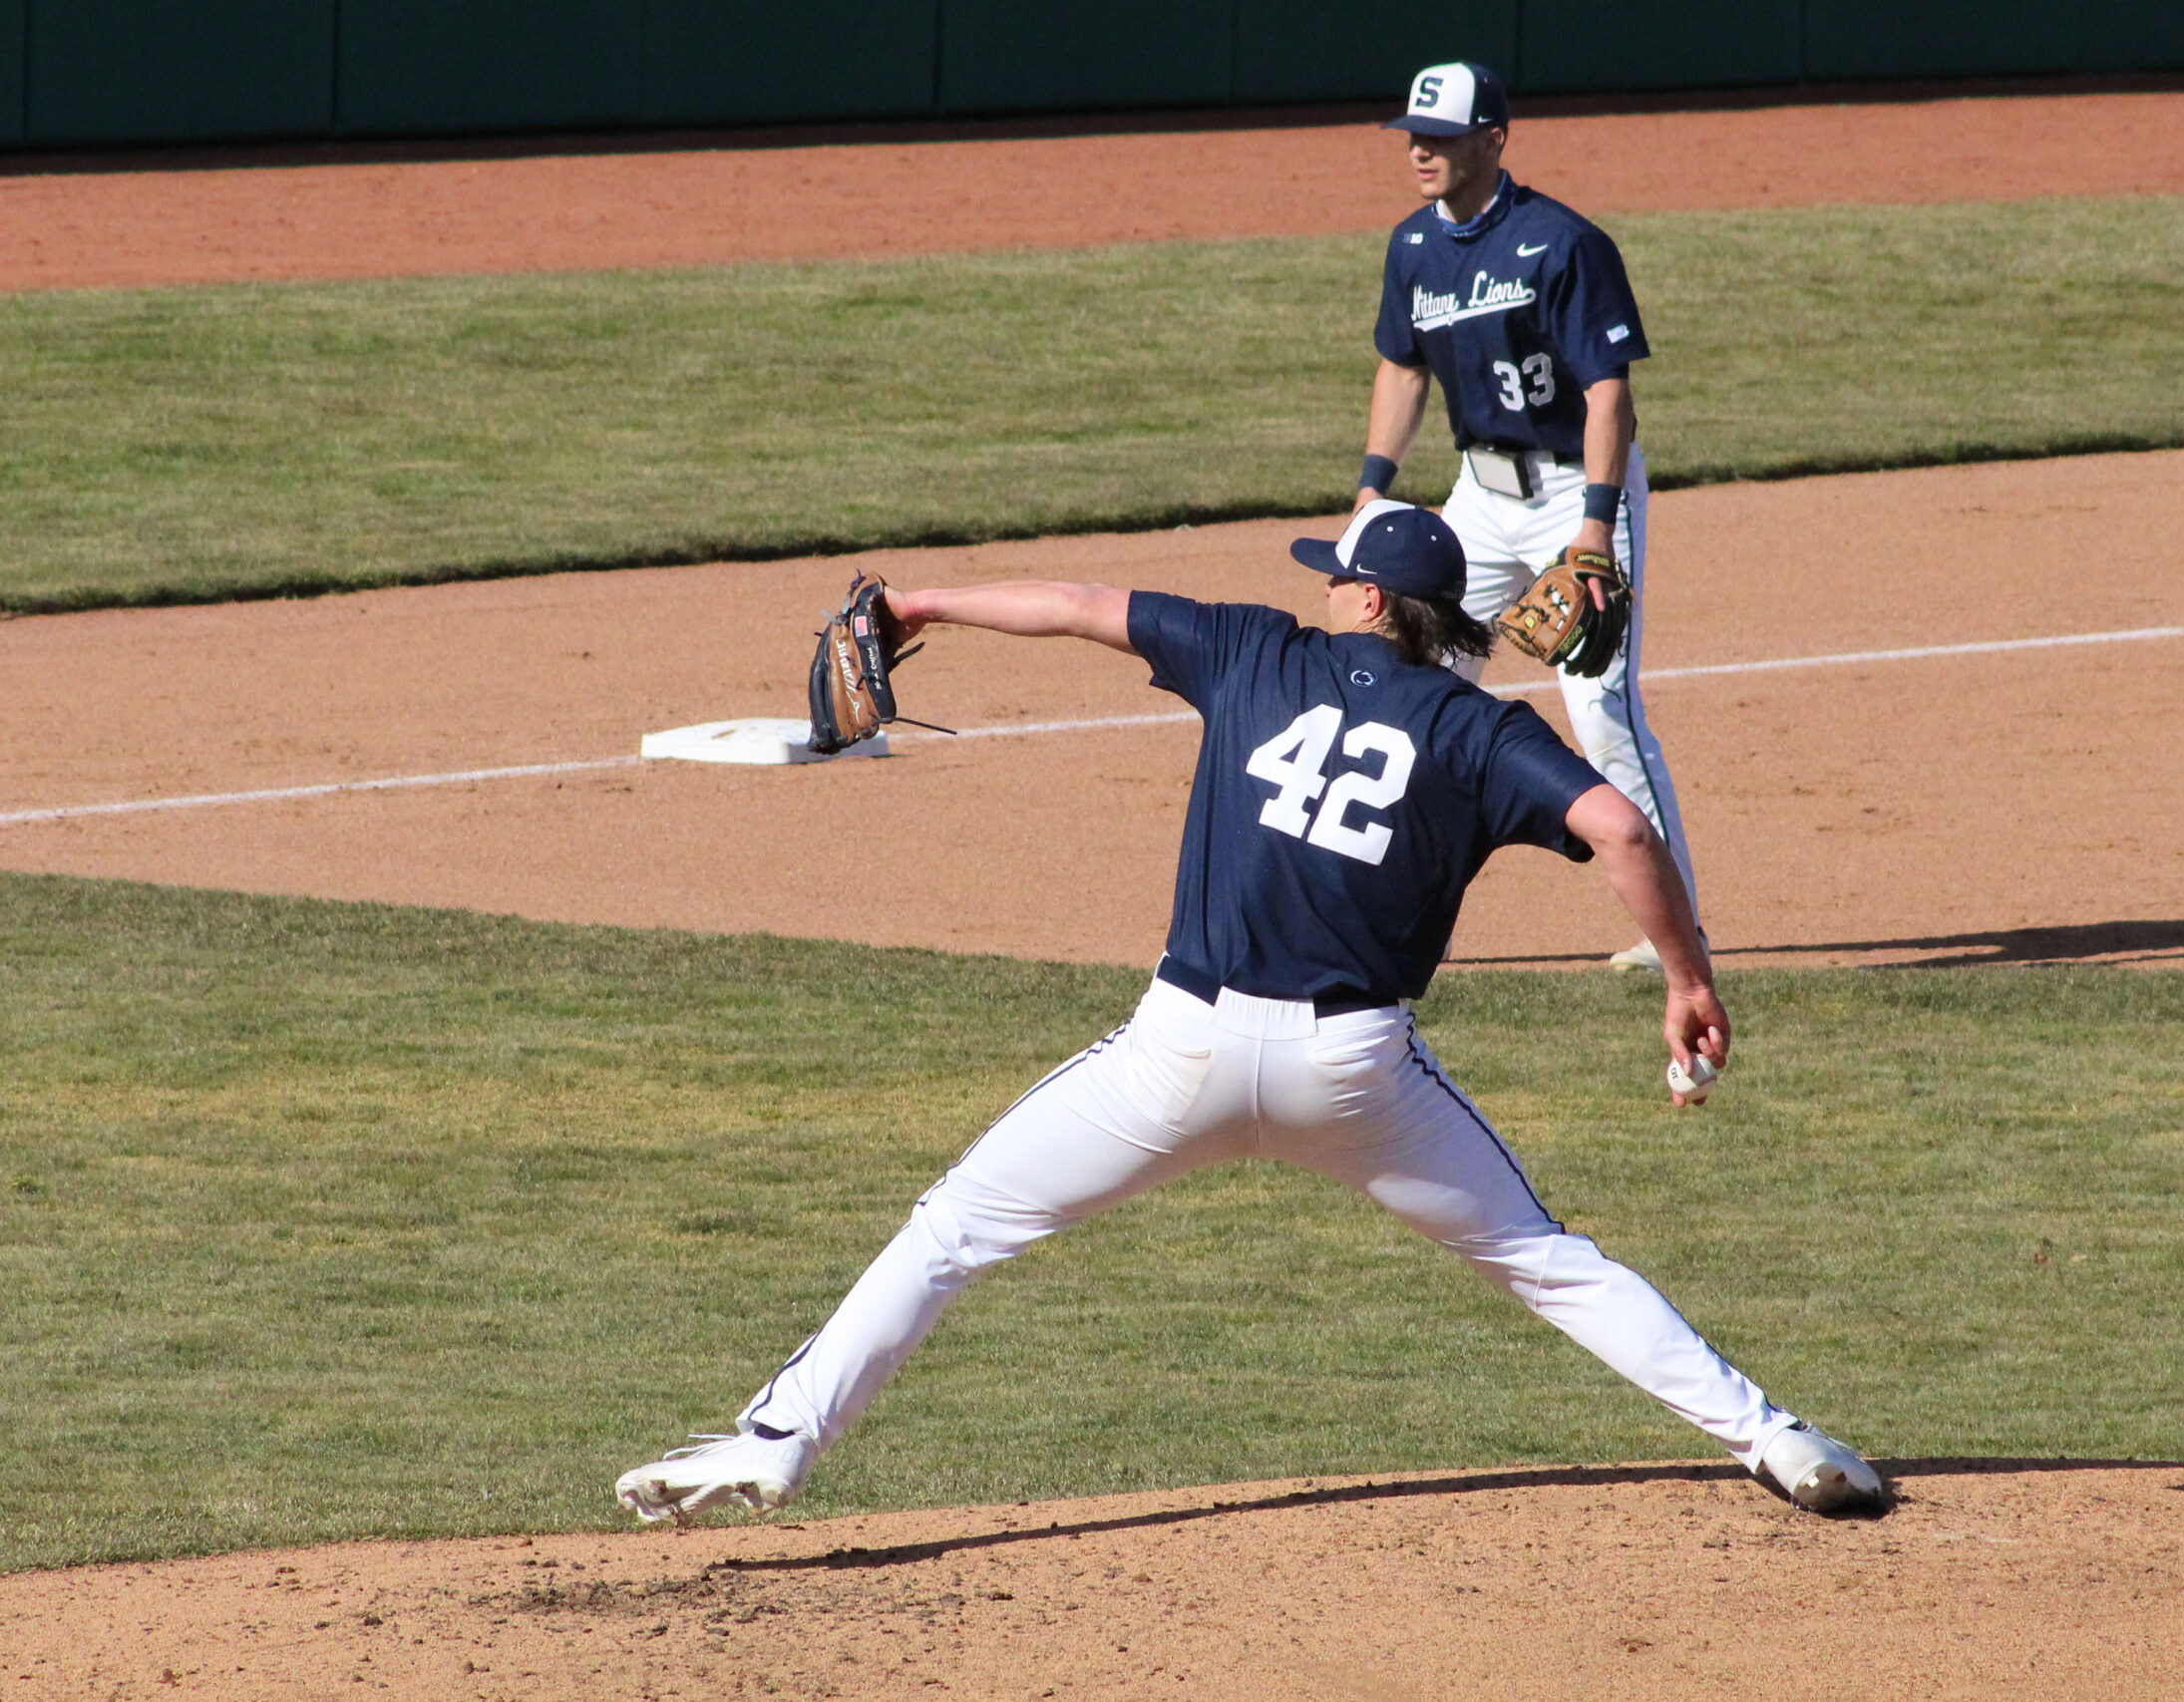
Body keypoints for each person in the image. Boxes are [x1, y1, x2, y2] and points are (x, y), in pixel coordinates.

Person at [614, 502, 1884, 1523]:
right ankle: (1773, 1438)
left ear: (1372, 603)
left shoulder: (1251, 650)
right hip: (1356, 1080)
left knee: (954, 1229)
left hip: (1180, 1057)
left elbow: (1067, 607)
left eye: (1338, 572)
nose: (1325, 582)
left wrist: (918, 600)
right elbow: (1618, 823)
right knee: (1544, 1260)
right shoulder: (1478, 730)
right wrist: (1687, 977)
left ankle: (778, 1445)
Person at [1355, 60, 1693, 973]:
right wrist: (1373, 484)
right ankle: (1413, 913)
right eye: (1413, 135)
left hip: (1571, 494)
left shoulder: (1562, 244)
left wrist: (1593, 525)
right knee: (1413, 690)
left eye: (1441, 135)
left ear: (1493, 139)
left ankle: (1678, 929)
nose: (1420, 150)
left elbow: (1608, 393)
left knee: (1601, 712)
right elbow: (1403, 365)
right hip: (1476, 497)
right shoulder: (1413, 247)